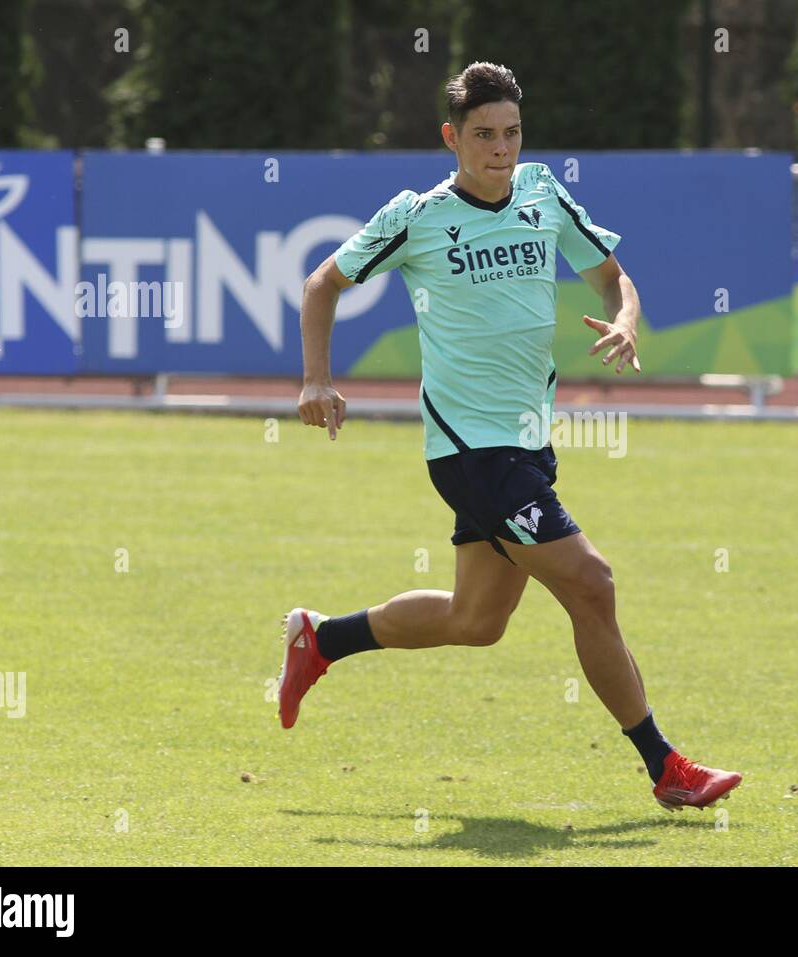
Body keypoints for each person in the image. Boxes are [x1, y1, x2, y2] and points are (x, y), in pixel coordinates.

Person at [279, 61, 741, 811]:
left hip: (526, 446)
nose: (501, 149)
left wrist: (625, 319)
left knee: (477, 620)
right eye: (485, 135)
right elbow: (321, 283)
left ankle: (320, 639)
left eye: (513, 133)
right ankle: (666, 767)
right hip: (469, 451)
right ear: (452, 138)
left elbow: (614, 278)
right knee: (593, 584)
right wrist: (315, 379)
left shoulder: (542, 194)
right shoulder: (416, 216)